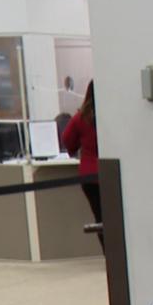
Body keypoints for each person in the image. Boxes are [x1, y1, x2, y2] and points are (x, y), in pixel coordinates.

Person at [61, 80, 101, 249]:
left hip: (89, 178)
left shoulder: (80, 118)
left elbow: (67, 141)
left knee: (100, 219)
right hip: (111, 175)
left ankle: (109, 256)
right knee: (116, 220)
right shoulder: (113, 115)